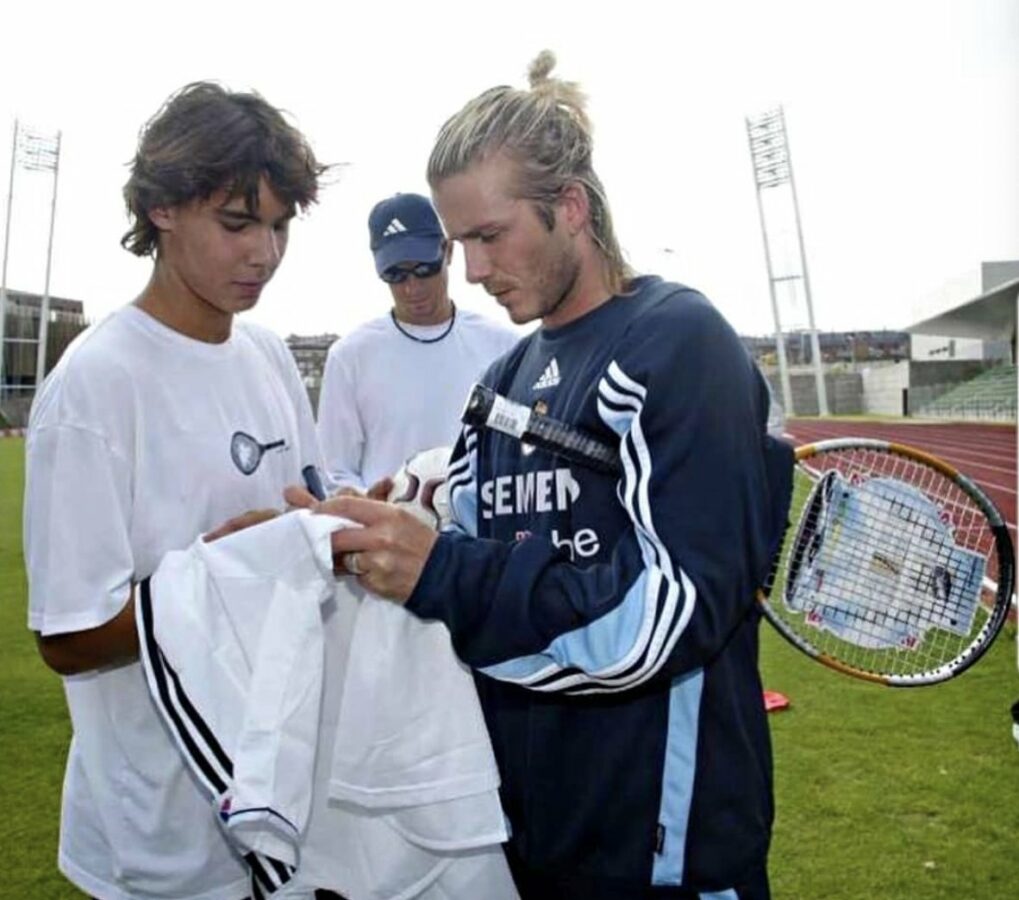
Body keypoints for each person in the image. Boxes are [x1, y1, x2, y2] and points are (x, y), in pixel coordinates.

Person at [320, 52, 794, 900]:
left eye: (488, 237)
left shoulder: (677, 344)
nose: (469, 270)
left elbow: (666, 616)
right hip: (526, 849)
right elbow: (462, 542)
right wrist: (363, 529)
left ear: (569, 208)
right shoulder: (500, 382)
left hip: (664, 861)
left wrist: (442, 573)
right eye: (460, 242)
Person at [24, 82, 326, 900]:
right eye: (237, 224)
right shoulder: (96, 385)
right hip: (158, 833)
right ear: (161, 209)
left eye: (278, 225)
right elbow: (69, 638)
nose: (263, 253)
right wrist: (220, 572)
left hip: (278, 798)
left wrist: (339, 526)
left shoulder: (267, 357)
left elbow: (299, 524)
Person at [316, 192, 517, 493]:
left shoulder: (503, 347)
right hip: (385, 535)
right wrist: (368, 503)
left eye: (424, 269)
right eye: (395, 275)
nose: (412, 288)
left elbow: (521, 457)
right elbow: (335, 471)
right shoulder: (349, 357)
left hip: (480, 534)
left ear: (447, 251)